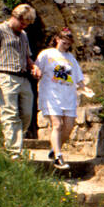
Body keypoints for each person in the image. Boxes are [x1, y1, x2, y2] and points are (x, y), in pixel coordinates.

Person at [0, 4, 42, 159]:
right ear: (15, 16)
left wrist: (34, 67)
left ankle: (13, 144)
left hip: (23, 78)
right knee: (10, 114)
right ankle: (14, 152)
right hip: (6, 76)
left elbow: (27, 57)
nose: (24, 26)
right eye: (22, 23)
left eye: (26, 24)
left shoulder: (23, 35)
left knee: (26, 114)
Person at [35, 28, 86, 171]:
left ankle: (55, 148)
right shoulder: (46, 54)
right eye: (64, 43)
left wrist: (85, 88)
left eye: (69, 44)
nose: (66, 46)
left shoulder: (71, 58)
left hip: (68, 97)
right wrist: (36, 72)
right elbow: (36, 67)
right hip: (51, 95)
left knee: (68, 127)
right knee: (57, 125)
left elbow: (78, 78)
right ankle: (58, 157)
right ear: (57, 39)